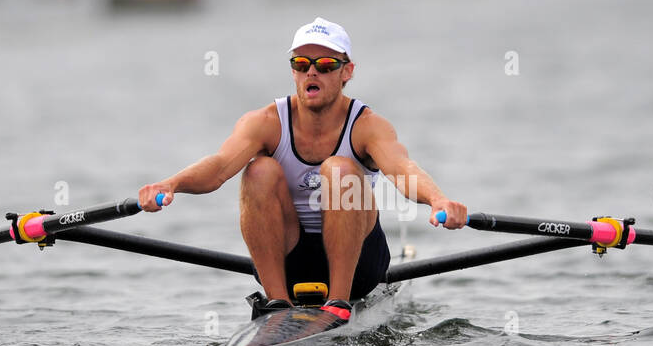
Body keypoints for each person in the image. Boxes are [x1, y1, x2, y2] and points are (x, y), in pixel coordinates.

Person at [137, 17, 467, 321]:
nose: (312, 72)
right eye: (301, 63)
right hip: (288, 259)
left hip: (359, 268)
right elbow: (220, 167)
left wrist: (438, 200)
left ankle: (338, 303)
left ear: (347, 71)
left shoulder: (368, 126)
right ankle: (278, 303)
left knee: (339, 168)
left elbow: (401, 170)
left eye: (325, 65)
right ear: (293, 71)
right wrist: (172, 184)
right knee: (258, 170)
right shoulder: (265, 122)